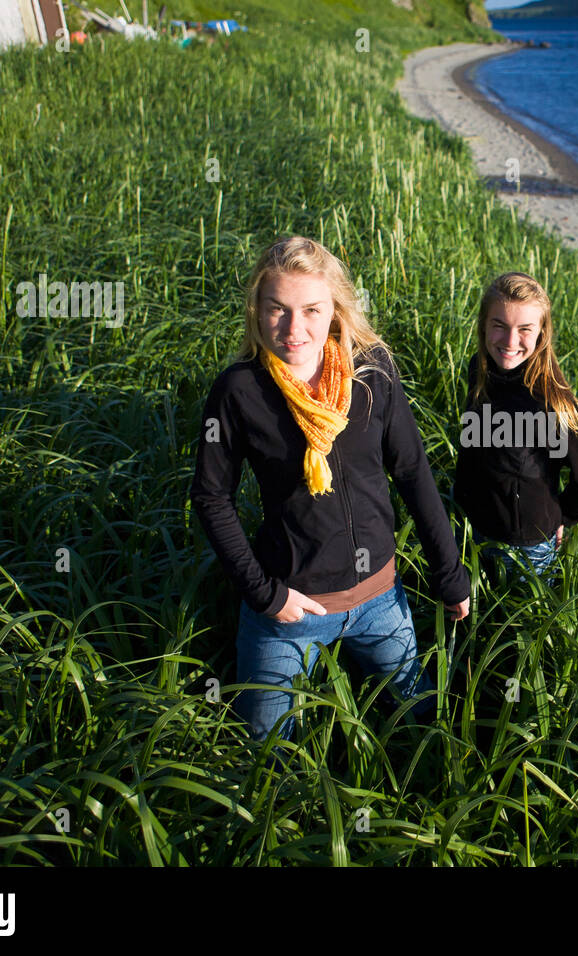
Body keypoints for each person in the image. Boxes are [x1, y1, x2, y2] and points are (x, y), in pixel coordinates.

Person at [189, 236, 470, 748]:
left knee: (425, 730)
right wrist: (265, 595)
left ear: (335, 307)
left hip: (380, 599)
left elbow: (412, 472)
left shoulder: (372, 373)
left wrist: (450, 576)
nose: (294, 330)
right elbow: (211, 498)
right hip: (290, 609)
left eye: (312, 310)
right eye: (278, 309)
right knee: (265, 753)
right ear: (257, 309)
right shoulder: (239, 390)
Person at [453, 272, 578, 585]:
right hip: (473, 525)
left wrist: (563, 518)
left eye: (525, 329)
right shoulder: (479, 370)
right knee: (479, 620)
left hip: (527, 544)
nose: (510, 342)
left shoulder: (550, 397)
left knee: (518, 626)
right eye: (499, 325)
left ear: (541, 332)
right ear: (483, 324)